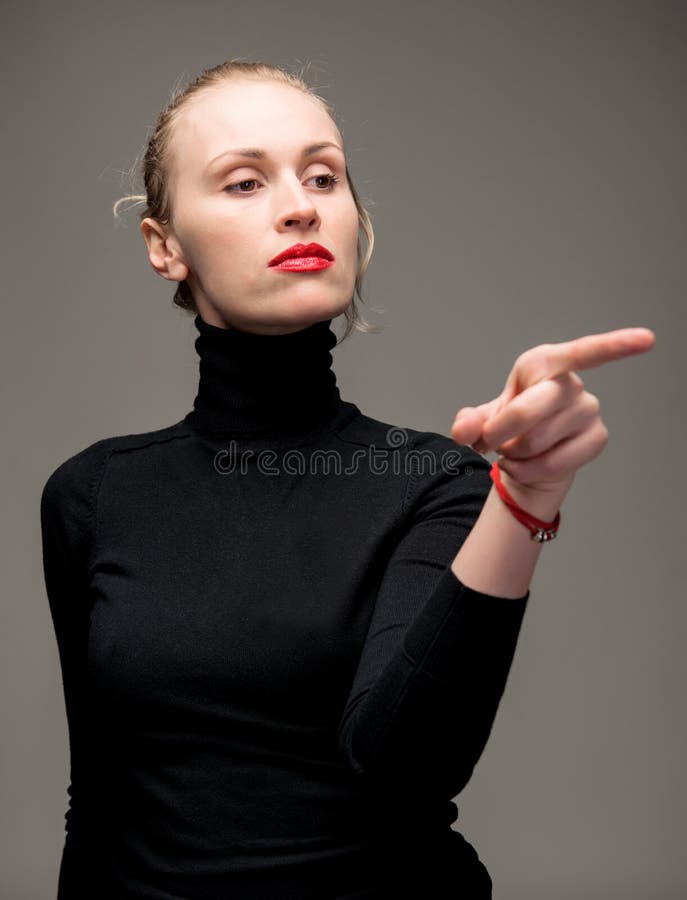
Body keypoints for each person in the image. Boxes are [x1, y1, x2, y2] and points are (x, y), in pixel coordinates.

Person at [39, 59, 655, 900]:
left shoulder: (437, 482)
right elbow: (97, 801)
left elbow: (406, 765)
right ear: (164, 245)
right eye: (245, 182)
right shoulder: (93, 495)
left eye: (322, 175)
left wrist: (526, 497)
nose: (301, 204)